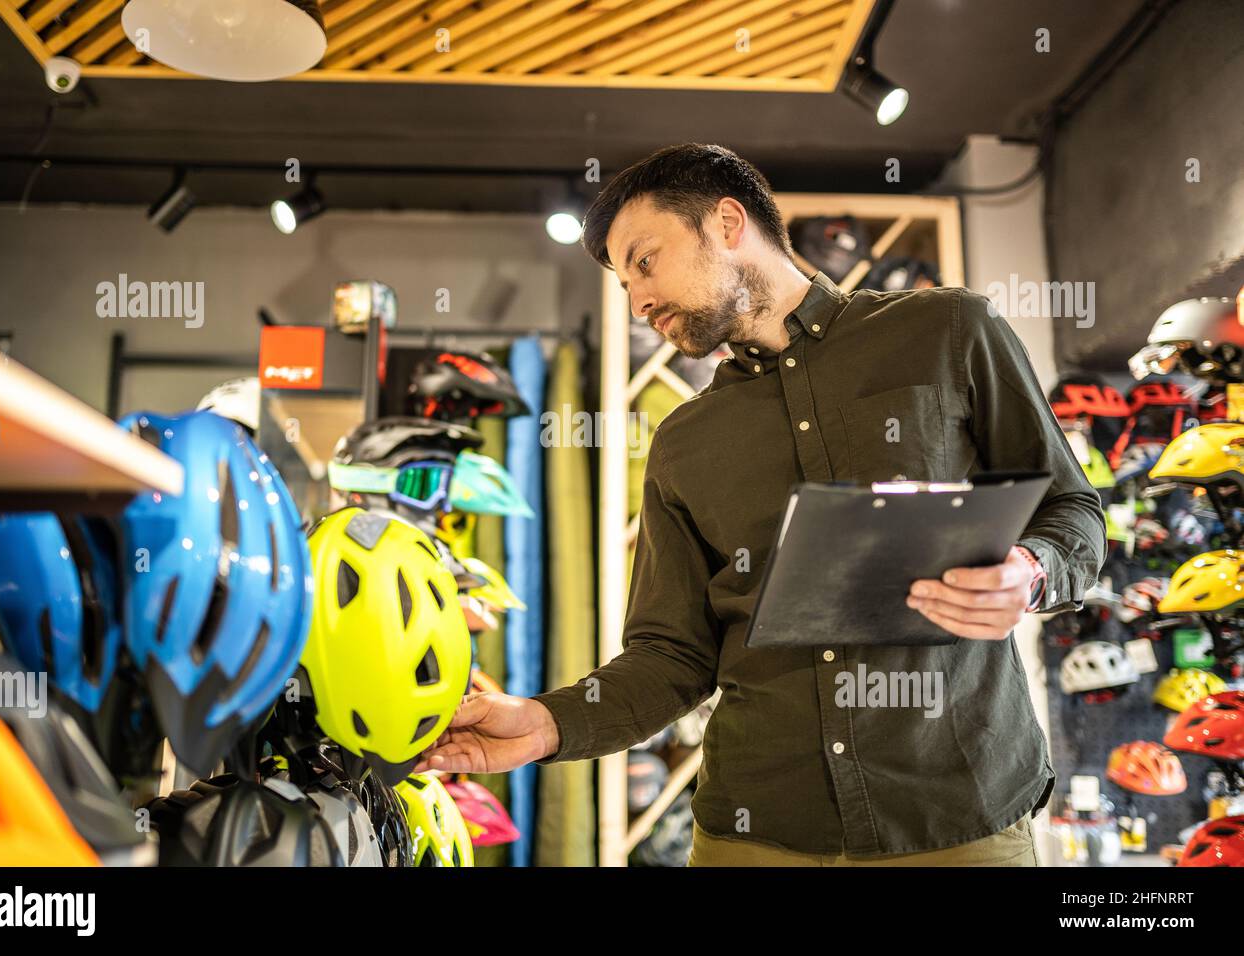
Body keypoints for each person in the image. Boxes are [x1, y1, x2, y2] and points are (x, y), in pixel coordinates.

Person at [415, 144, 1105, 866]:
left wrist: (1032, 569)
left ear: (727, 221)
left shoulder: (948, 333)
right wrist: (547, 722)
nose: (638, 301)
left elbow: (1072, 509)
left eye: (644, 263)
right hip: (756, 834)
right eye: (623, 287)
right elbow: (672, 656)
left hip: (956, 816)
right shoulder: (684, 441)